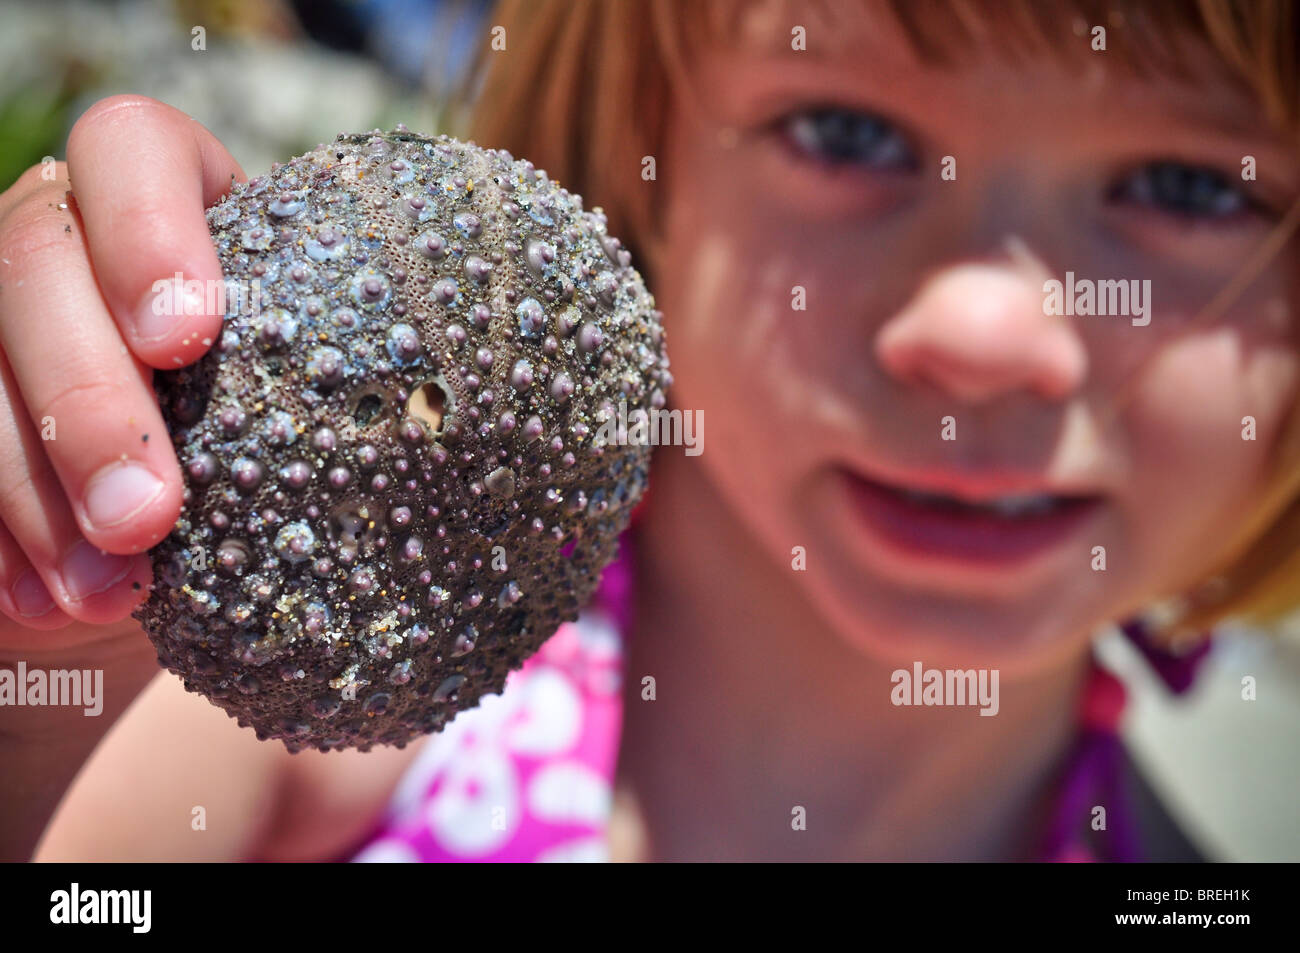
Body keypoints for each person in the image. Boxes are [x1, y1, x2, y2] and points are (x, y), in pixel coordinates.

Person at [4, 0, 1299, 862]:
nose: (989, 330)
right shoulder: (362, 713)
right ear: (641, 167)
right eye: (845, 130)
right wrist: (43, 657)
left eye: (1192, 185)